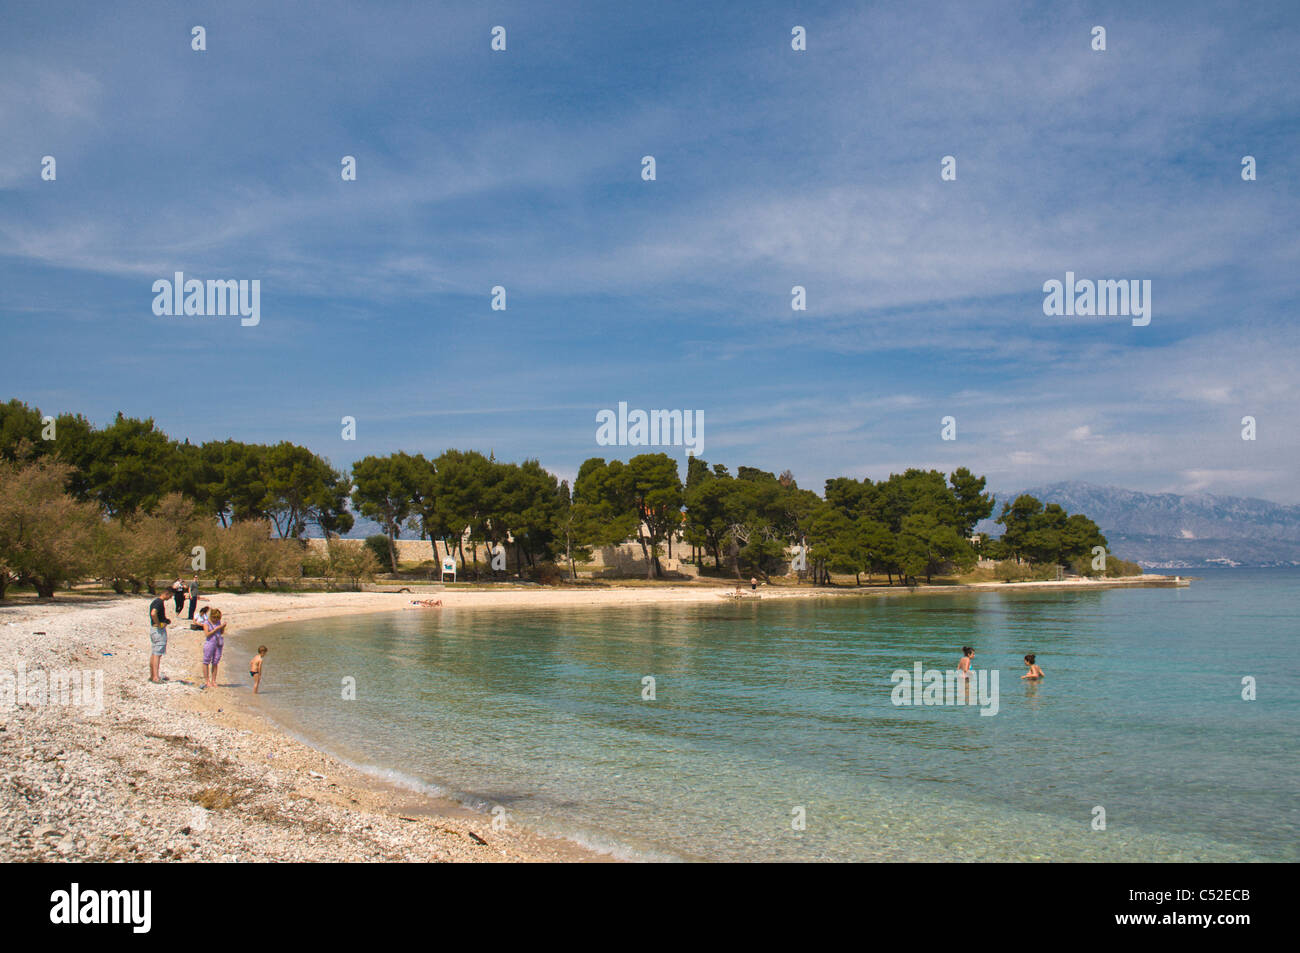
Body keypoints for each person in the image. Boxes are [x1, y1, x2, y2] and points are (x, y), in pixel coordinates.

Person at [148, 587, 171, 683]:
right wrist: (158, 624)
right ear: (166, 594)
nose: (170, 598)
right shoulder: (159, 602)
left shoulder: (155, 601)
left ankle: (152, 675)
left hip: (153, 630)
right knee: (157, 654)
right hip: (158, 631)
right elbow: (153, 613)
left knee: (154, 653)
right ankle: (156, 677)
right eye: (170, 596)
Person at [200, 609, 227, 689]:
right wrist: (216, 628)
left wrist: (222, 627)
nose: (216, 619)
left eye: (218, 618)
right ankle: (207, 680)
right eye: (215, 618)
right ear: (211, 616)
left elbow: (221, 632)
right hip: (210, 643)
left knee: (215, 662)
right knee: (206, 661)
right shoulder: (206, 623)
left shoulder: (218, 622)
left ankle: (213, 681)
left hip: (218, 643)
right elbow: (207, 634)